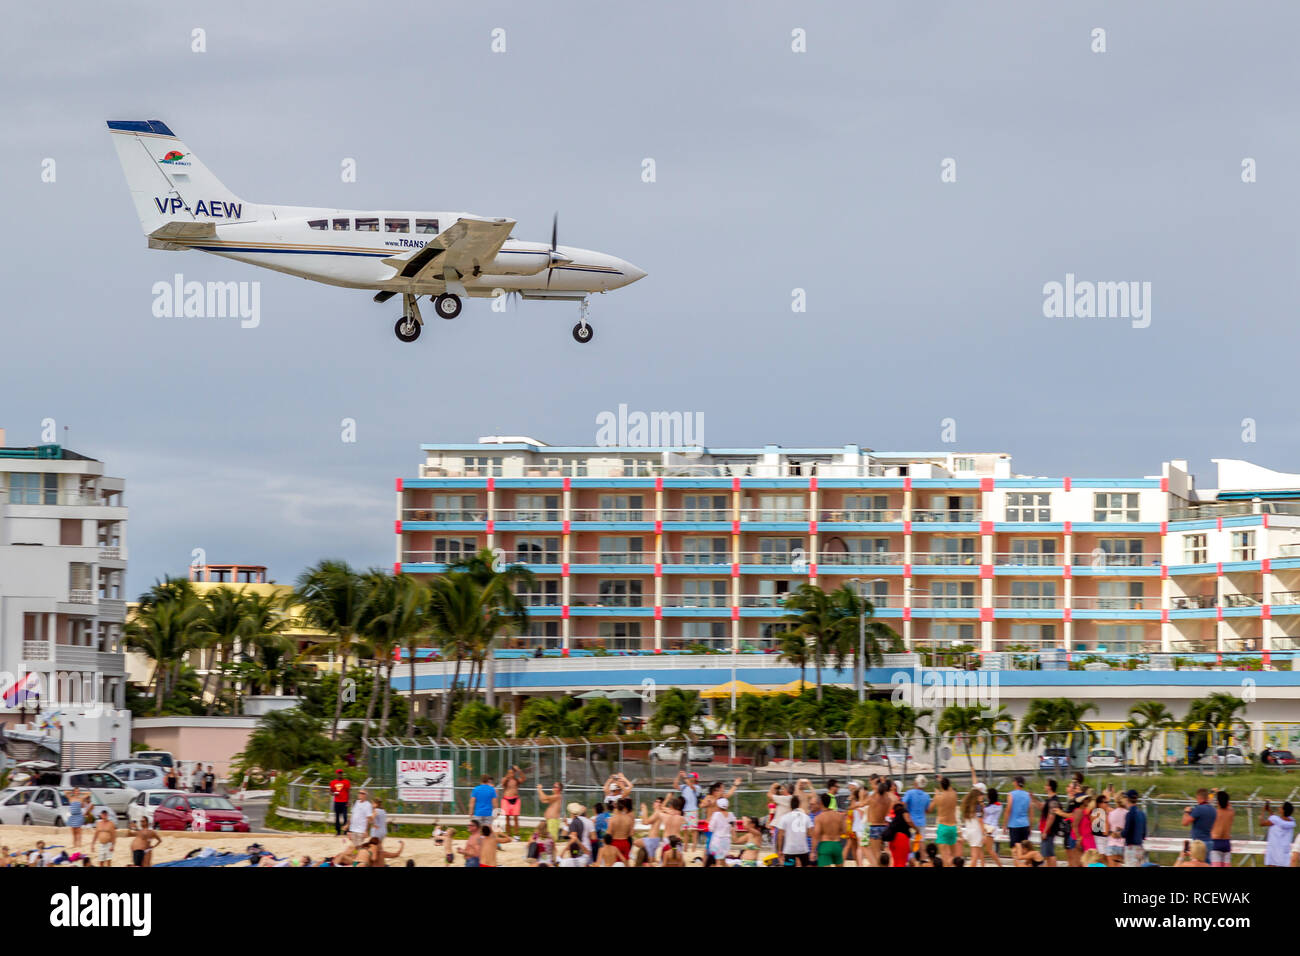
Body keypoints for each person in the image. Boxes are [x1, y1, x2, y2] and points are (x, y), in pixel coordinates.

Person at [775, 793, 812, 866]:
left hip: (790, 850)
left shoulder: (785, 817)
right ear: (799, 805)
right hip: (803, 849)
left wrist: (779, 850)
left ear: (790, 806)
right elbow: (810, 834)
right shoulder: (806, 817)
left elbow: (780, 835)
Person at [812, 792, 845, 867]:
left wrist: (813, 851)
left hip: (825, 845)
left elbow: (816, 835)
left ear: (821, 803)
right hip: (837, 845)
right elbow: (844, 831)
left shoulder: (819, 817)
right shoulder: (839, 815)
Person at [932, 776, 958, 865]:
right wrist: (942, 779)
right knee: (953, 856)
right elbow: (949, 788)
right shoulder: (954, 794)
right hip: (953, 827)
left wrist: (936, 793)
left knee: (944, 856)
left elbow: (931, 808)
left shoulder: (938, 797)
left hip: (943, 826)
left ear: (941, 786)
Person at [1039, 779, 1066, 867]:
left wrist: (1045, 831)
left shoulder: (1053, 801)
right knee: (1048, 854)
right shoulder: (1049, 800)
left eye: (1046, 785)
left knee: (1049, 855)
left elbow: (1051, 817)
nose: (1044, 786)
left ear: (1049, 787)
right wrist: (1033, 799)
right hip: (1048, 830)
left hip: (1049, 830)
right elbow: (1042, 807)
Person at [1261, 800, 1295, 867]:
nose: (1279, 808)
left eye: (1281, 807)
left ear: (1283, 810)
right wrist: (1269, 811)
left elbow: (1262, 823)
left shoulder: (1275, 820)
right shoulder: (1291, 821)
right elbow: (1276, 820)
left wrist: (1263, 811)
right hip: (1284, 854)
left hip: (1273, 853)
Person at [675, 771, 702, 850]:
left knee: (693, 830)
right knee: (685, 830)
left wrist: (685, 777)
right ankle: (685, 846)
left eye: (692, 776)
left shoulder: (697, 787)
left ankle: (694, 846)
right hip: (684, 810)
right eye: (689, 776)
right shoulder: (684, 786)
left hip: (692, 810)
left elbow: (691, 787)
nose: (690, 778)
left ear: (695, 778)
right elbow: (675, 785)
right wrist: (678, 776)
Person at [707, 796, 736, 866]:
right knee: (722, 860)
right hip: (726, 840)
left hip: (717, 840)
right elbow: (734, 827)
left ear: (718, 806)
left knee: (718, 861)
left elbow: (711, 828)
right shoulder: (731, 815)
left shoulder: (716, 814)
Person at [1121, 789, 1147, 867]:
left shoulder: (1129, 814)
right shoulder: (1142, 814)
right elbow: (1144, 834)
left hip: (1131, 848)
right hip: (1140, 847)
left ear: (1127, 799)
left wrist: (1119, 833)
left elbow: (1126, 833)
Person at [1209, 790, 1234, 867]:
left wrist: (1212, 793)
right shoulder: (1231, 812)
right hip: (1226, 842)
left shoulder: (1214, 812)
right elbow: (1228, 804)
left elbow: (1208, 803)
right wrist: (1222, 794)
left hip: (1215, 842)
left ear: (1218, 802)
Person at [500, 766, 525, 839]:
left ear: (514, 773)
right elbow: (502, 783)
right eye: (509, 773)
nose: (511, 774)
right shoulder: (505, 779)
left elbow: (523, 778)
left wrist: (519, 770)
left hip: (515, 800)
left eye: (512, 773)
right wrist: (507, 777)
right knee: (507, 818)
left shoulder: (516, 780)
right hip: (506, 800)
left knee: (516, 818)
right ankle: (508, 834)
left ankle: (516, 835)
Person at [537, 780, 564, 844]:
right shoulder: (554, 797)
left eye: (555, 787)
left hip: (553, 821)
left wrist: (540, 790)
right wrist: (539, 791)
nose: (553, 788)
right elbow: (543, 800)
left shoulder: (558, 796)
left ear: (559, 789)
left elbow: (545, 797)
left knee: (551, 839)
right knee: (548, 838)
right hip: (550, 820)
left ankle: (552, 852)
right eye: (553, 786)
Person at [329, 770, 351, 836]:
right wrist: (333, 793)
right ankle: (338, 831)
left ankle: (345, 831)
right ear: (336, 774)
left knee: (345, 816)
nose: (340, 774)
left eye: (341, 773)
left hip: (344, 802)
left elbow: (349, 792)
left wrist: (348, 801)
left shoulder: (346, 782)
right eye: (339, 773)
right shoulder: (333, 782)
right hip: (337, 802)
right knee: (337, 817)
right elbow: (330, 792)